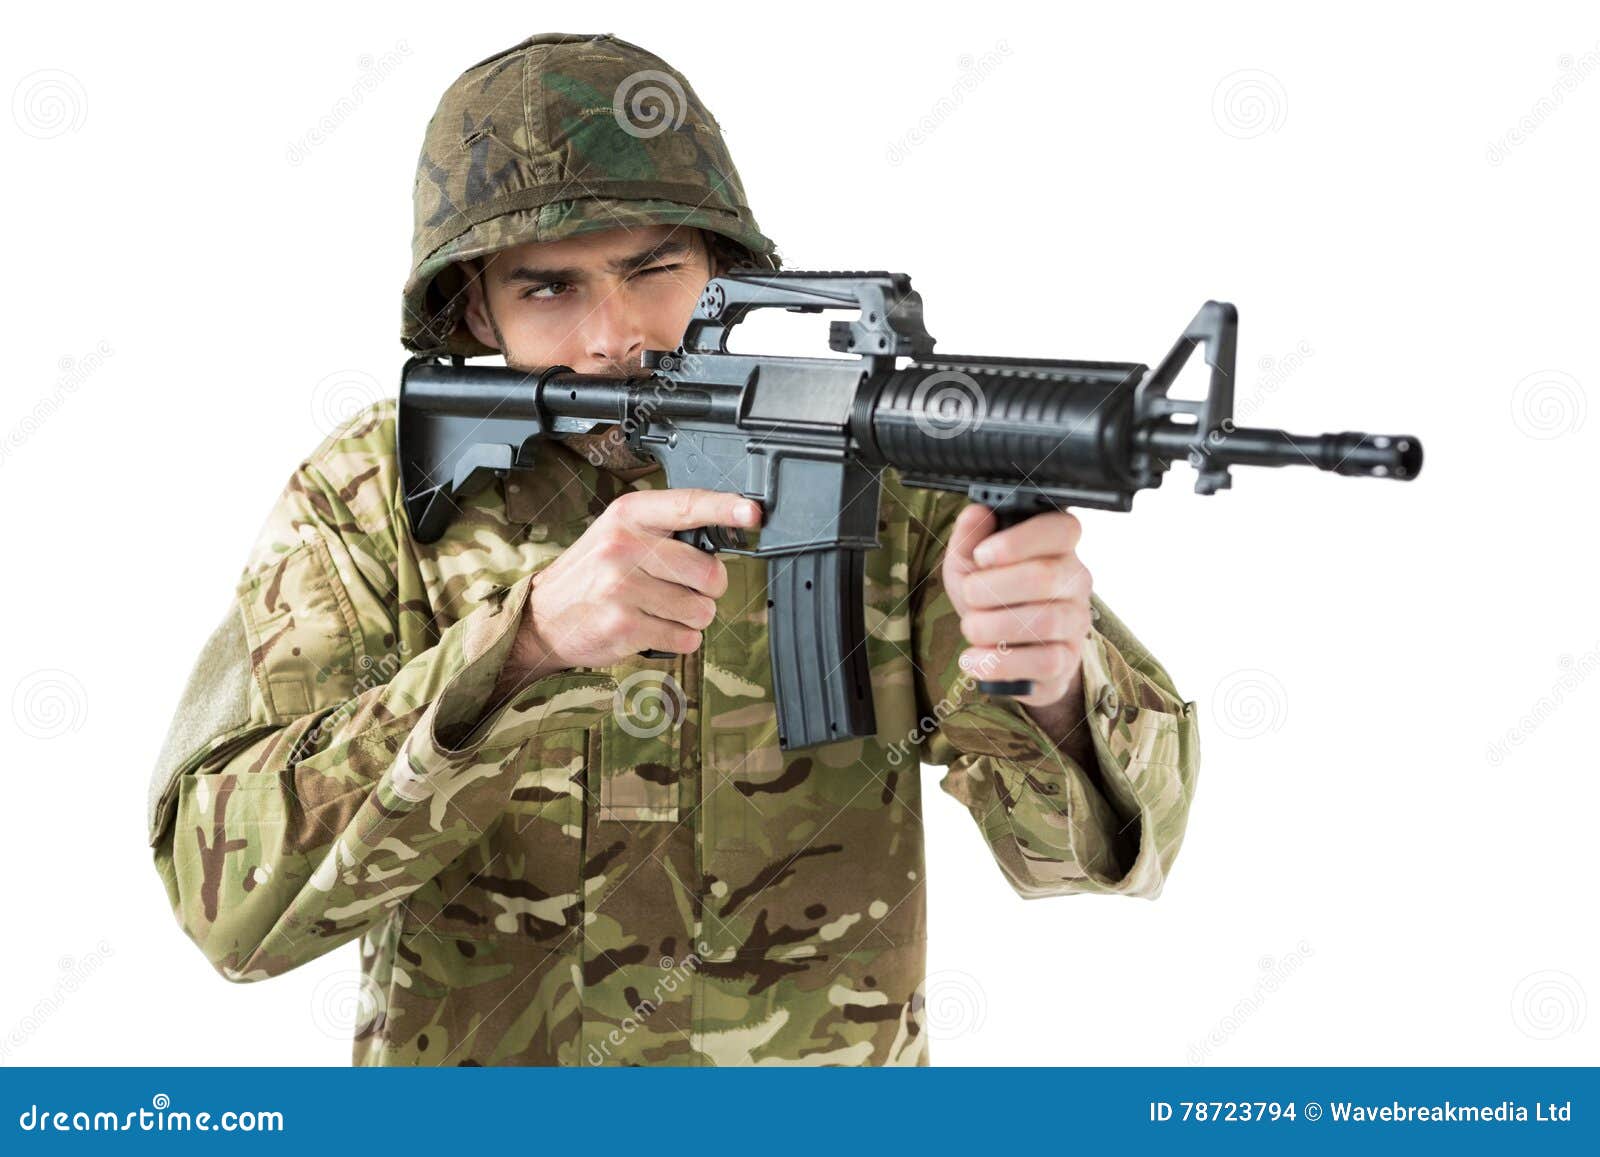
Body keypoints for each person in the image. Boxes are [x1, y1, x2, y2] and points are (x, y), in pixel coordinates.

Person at [147, 32, 1200, 1066]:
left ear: (723, 270)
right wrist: (517, 648)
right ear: (474, 306)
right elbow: (231, 907)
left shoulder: (872, 464)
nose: (617, 337)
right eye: (549, 288)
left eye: (654, 268)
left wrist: (1057, 689)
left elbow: (1082, 861)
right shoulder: (368, 493)